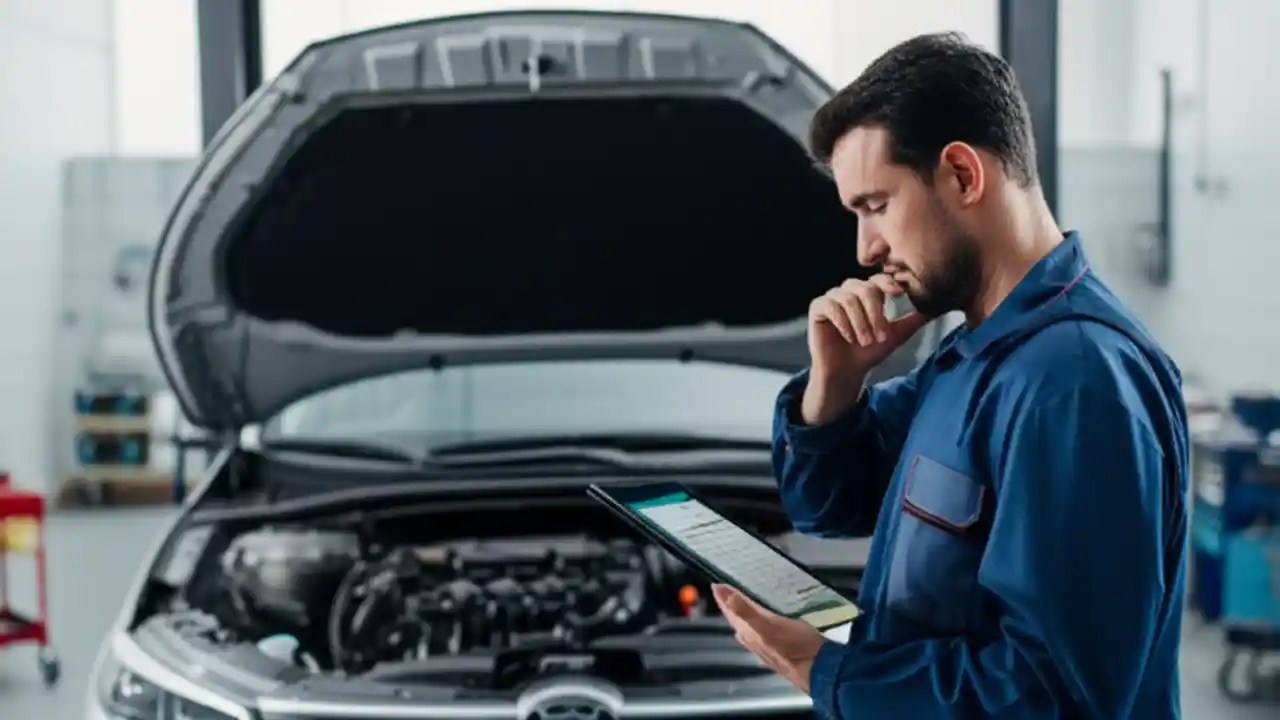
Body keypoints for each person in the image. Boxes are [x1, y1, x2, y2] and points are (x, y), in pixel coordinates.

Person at [710, 32, 1190, 718]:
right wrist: (836, 384)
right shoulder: (976, 354)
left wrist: (830, 673)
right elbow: (830, 506)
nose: (866, 249)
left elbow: (1052, 697)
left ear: (963, 174)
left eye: (876, 206)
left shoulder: (1074, 381)